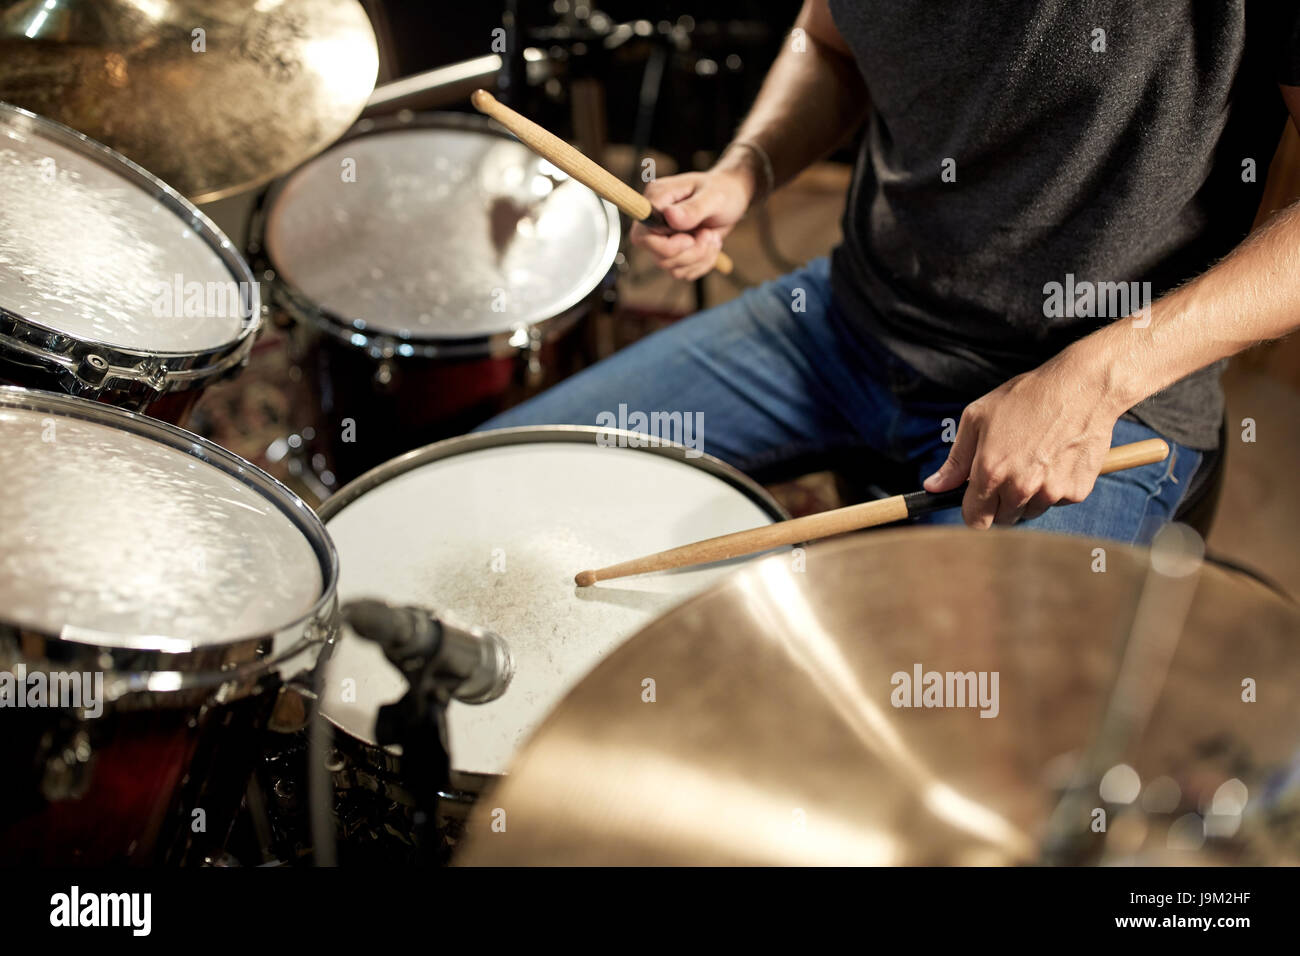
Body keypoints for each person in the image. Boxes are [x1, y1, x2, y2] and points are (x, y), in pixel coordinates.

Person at [482, 0, 1300, 545]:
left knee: (944, 751)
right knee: (484, 494)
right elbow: (827, 35)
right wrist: (747, 170)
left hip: (1106, 391)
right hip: (847, 318)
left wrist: (1096, 377)